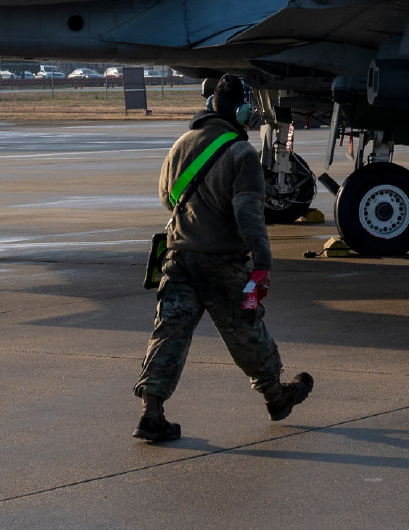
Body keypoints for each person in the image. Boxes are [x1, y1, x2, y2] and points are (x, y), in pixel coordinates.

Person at [132, 74, 313, 442]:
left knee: (169, 332)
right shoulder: (241, 153)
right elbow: (249, 214)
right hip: (222, 262)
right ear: (243, 111)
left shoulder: (181, 144)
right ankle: (276, 397)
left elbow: (168, 199)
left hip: (179, 257)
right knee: (245, 329)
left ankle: (151, 412)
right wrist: (262, 263)